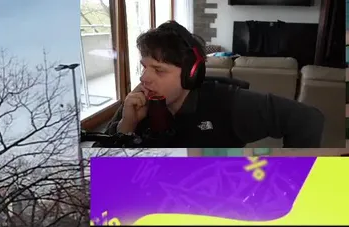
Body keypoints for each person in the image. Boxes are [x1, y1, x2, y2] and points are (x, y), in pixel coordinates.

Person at [104, 21, 325, 148]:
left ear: (191, 74)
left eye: (159, 70)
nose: (144, 78)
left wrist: (291, 179)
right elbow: (100, 171)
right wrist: (127, 124)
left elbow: (307, 118)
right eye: (144, 67)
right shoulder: (137, 102)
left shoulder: (227, 103)